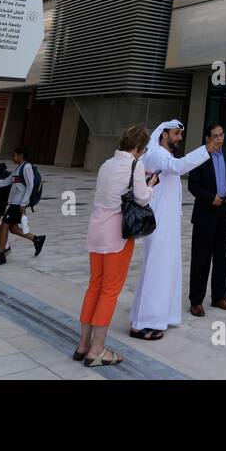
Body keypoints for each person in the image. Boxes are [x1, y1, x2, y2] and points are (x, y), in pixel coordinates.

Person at [75, 124, 156, 367]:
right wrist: (151, 185)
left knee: (94, 287)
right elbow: (141, 197)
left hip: (96, 230)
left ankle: (83, 344)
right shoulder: (135, 165)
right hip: (117, 235)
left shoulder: (106, 164)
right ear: (139, 147)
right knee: (110, 291)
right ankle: (97, 349)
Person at [129, 119, 210, 339]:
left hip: (168, 222)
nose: (179, 138)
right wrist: (206, 150)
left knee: (167, 270)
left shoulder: (164, 155)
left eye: (180, 135)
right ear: (164, 134)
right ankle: (142, 323)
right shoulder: (157, 154)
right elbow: (178, 167)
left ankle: (162, 316)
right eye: (176, 134)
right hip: (158, 222)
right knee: (156, 270)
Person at [186, 123, 226, 316]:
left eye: (221, 135)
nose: (219, 139)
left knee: (221, 256)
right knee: (201, 257)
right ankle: (196, 301)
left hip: (225, 211)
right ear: (207, 138)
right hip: (205, 212)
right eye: (215, 136)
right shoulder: (200, 156)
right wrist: (210, 197)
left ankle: (219, 297)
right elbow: (192, 185)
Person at [0, 147, 45, 266]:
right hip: (15, 203)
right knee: (13, 228)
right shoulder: (18, 168)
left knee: (4, 226)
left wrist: (24, 203)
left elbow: (30, 185)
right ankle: (37, 239)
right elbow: (5, 182)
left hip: (18, 204)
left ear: (21, 155)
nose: (13, 158)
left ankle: (1, 254)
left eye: (15, 155)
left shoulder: (27, 167)